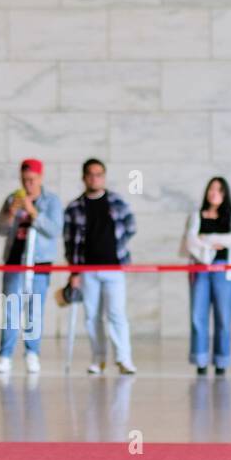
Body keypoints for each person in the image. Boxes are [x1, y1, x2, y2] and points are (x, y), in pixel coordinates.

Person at [63, 158, 137, 375]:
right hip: (87, 271)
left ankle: (124, 358)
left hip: (114, 268)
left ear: (103, 177)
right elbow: (69, 242)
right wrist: (74, 272)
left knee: (116, 314)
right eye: (91, 174)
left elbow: (131, 226)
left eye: (99, 174)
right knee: (92, 316)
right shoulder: (74, 207)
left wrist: (119, 244)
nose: (95, 178)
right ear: (84, 178)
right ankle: (99, 358)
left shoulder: (117, 202)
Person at [0, 158, 62, 375]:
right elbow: (0, 228)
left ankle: (32, 353)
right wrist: (11, 212)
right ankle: (5, 356)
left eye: (32, 180)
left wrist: (32, 211)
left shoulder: (51, 201)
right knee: (11, 310)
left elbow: (53, 230)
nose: (28, 185)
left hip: (39, 262)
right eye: (24, 180)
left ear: (40, 178)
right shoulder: (12, 198)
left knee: (34, 311)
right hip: (14, 261)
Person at [181, 176, 231, 375]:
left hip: (224, 269)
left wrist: (207, 238)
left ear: (225, 194)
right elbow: (191, 240)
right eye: (212, 189)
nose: (215, 193)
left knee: (223, 317)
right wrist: (212, 242)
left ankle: (222, 361)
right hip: (200, 268)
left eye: (219, 190)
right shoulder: (197, 215)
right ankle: (200, 359)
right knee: (198, 316)